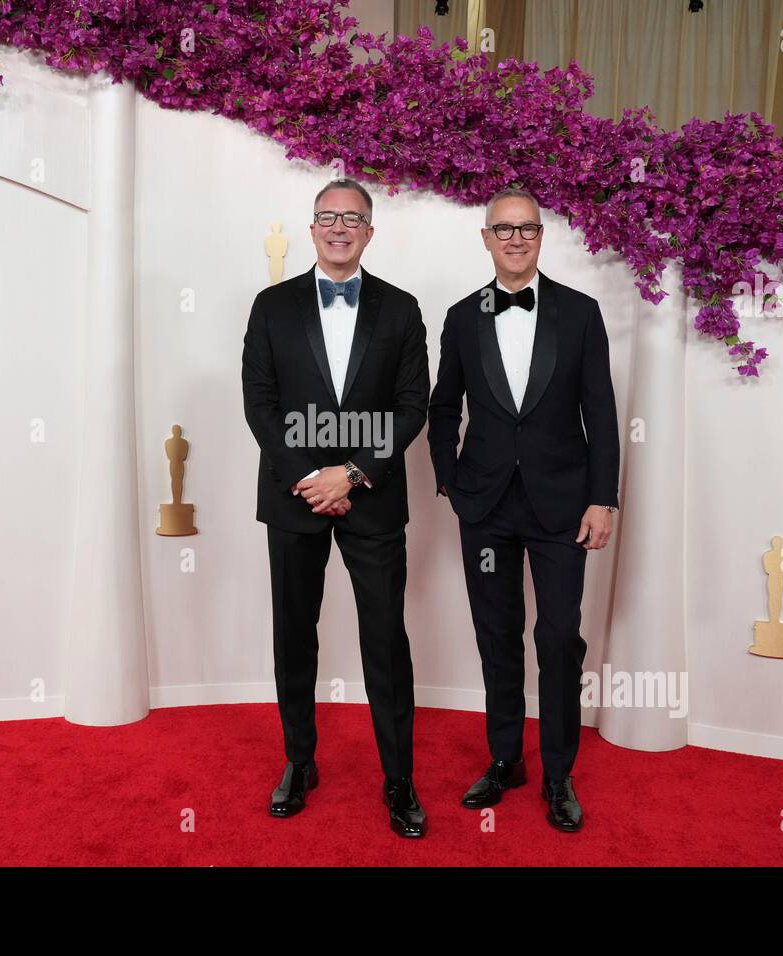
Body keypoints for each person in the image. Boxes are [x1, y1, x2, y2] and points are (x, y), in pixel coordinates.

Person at [241, 178, 431, 837]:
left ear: (370, 232)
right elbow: (260, 406)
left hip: (372, 500)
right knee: (294, 637)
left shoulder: (402, 309)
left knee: (386, 642)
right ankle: (299, 761)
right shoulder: (271, 307)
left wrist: (350, 473)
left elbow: (413, 407)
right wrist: (308, 478)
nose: (339, 227)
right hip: (294, 500)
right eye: (328, 217)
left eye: (353, 218)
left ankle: (399, 779)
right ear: (313, 227)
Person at [428, 187, 620, 832]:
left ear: (542, 237)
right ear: (485, 238)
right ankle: (506, 758)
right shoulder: (461, 316)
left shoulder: (581, 313)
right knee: (496, 634)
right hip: (485, 505)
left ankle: (559, 773)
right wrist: (451, 481)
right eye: (503, 230)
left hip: (563, 506)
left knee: (559, 636)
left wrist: (603, 497)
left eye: (528, 229)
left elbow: (602, 414)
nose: (515, 239)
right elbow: (440, 407)